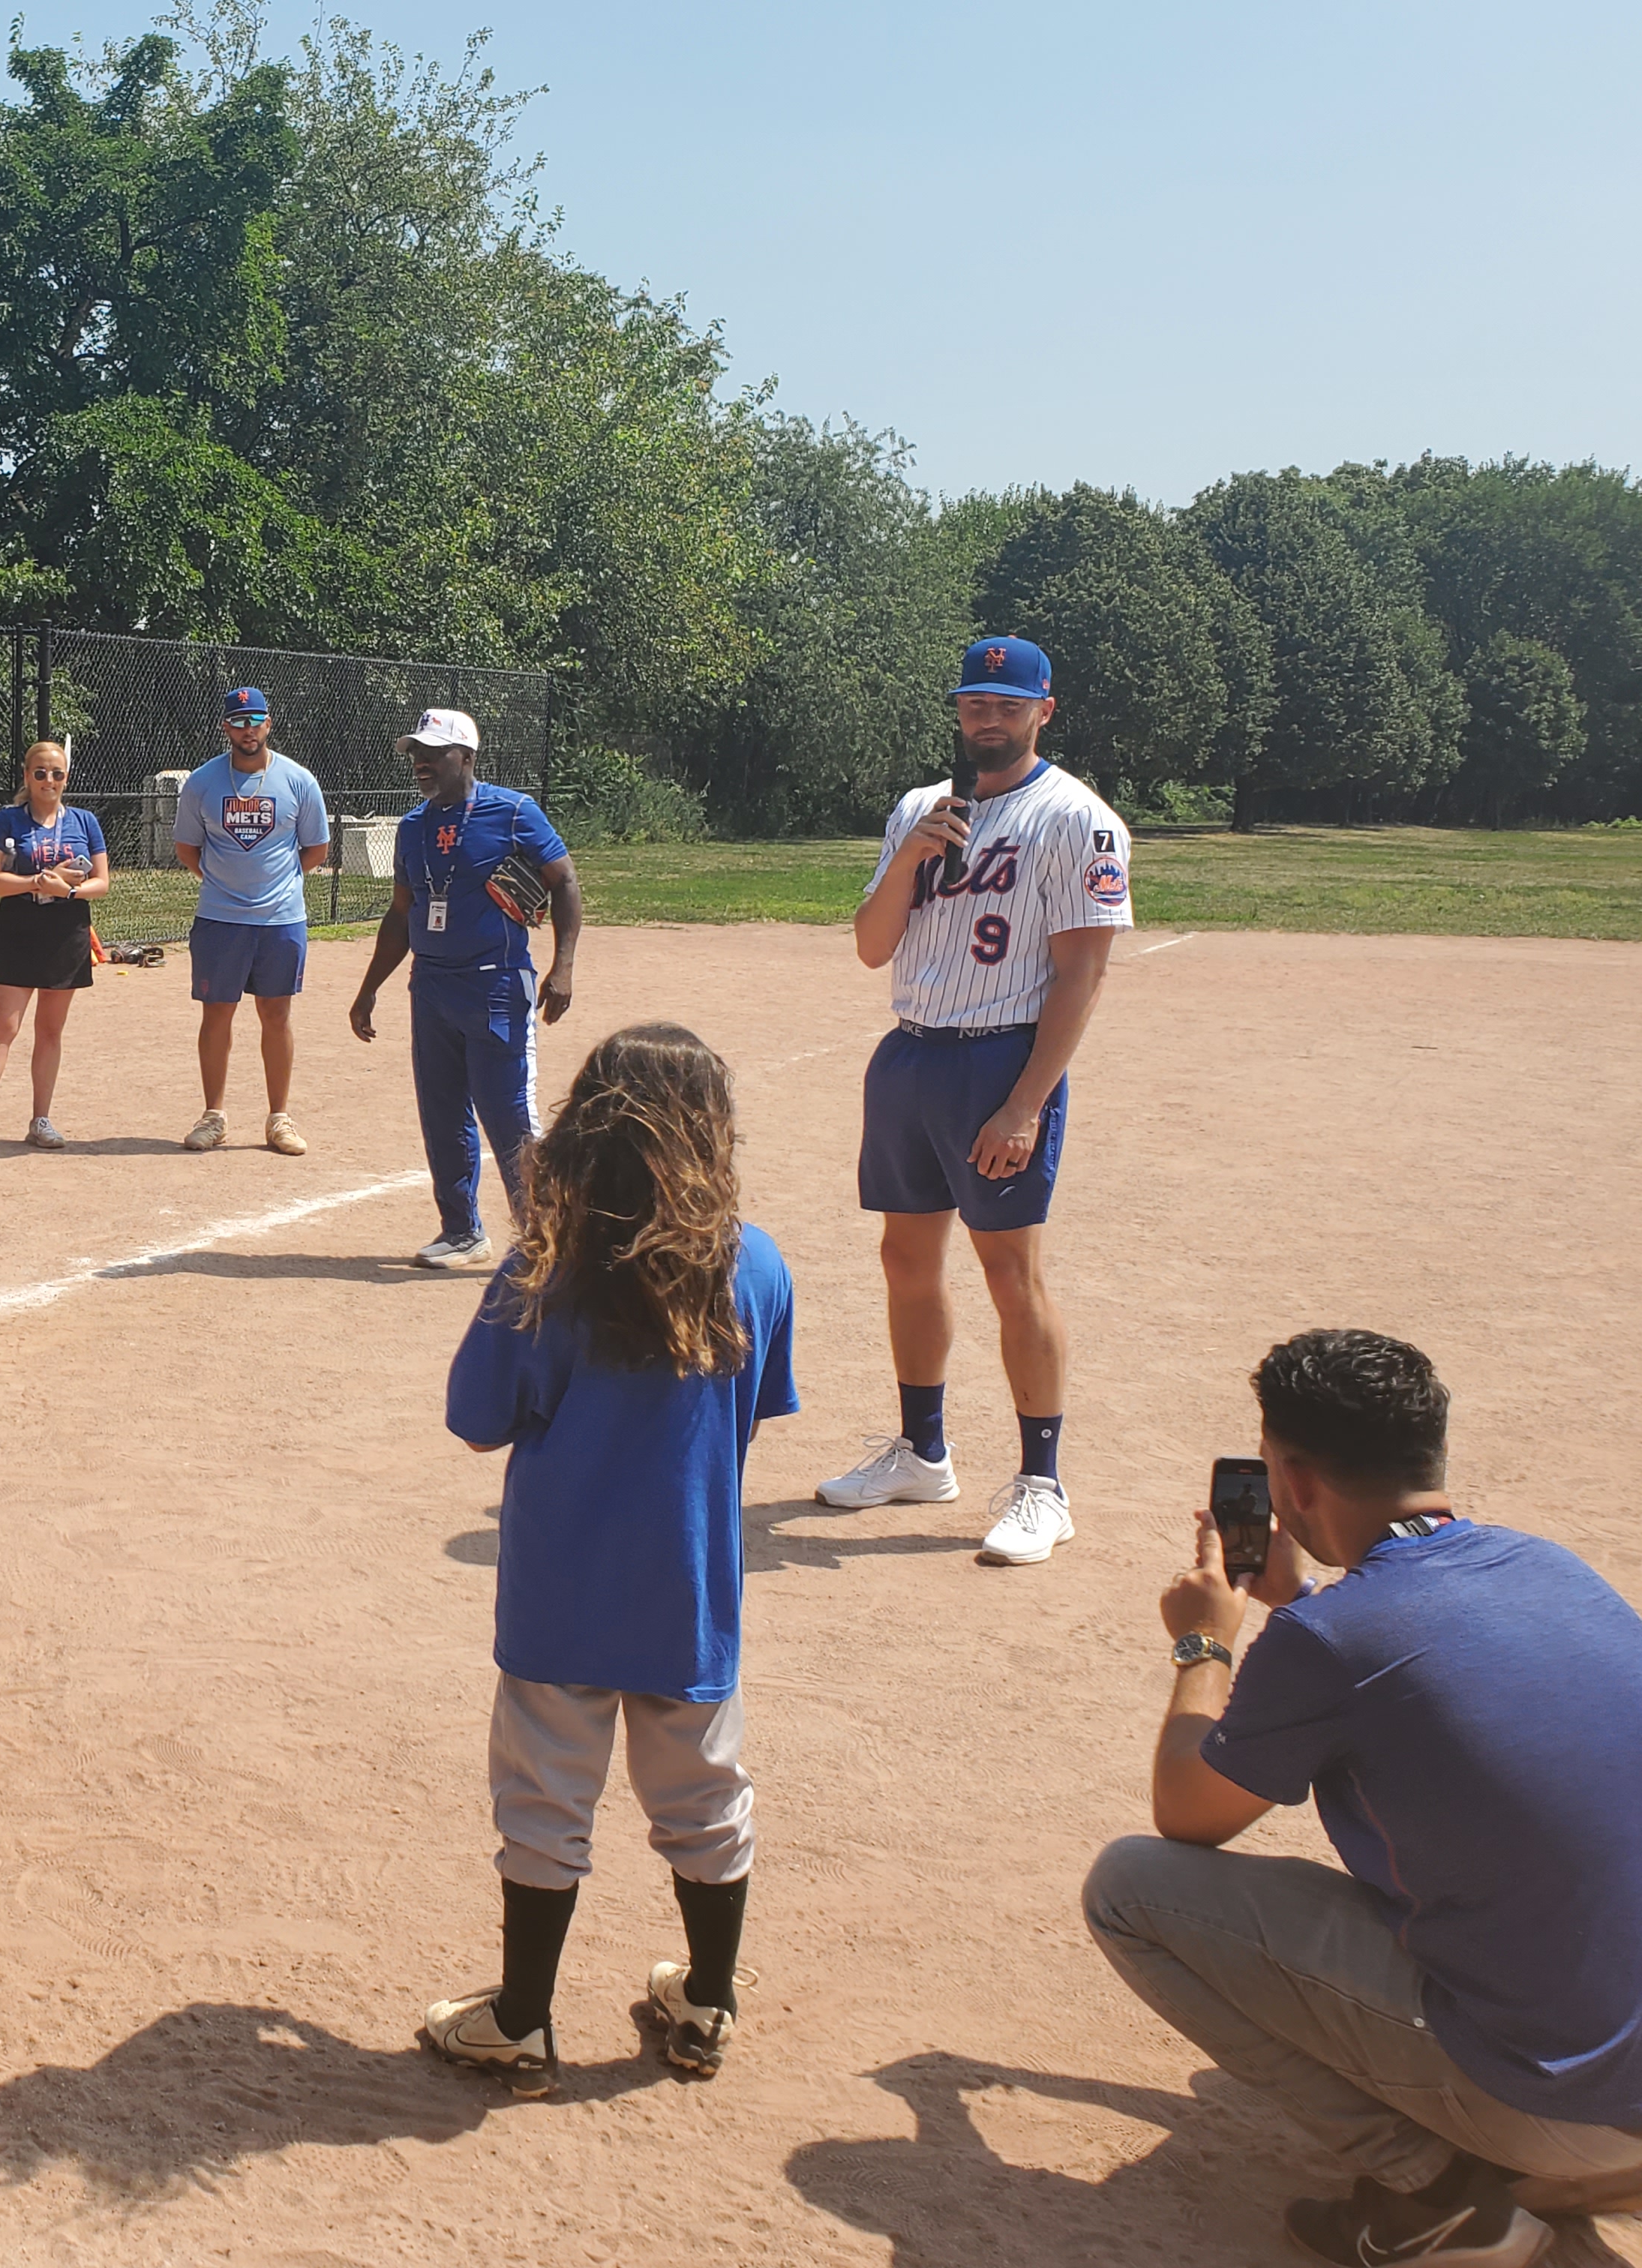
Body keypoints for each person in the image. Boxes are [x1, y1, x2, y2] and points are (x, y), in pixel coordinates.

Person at [1085, 1330, 1642, 2266]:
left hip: (1571, 2107)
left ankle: (1440, 2198)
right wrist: (1302, 1601)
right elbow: (1411, 1641)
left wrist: (1205, 1645)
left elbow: (1188, 1813)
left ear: (1295, 1486)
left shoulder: (1329, 1641)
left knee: (1129, 1890)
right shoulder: (1549, 1565)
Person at [422, 1025, 796, 2097]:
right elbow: (757, 1412)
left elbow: (476, 1417)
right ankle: (708, 1996)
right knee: (704, 1795)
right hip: (687, 1592)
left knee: (545, 1798)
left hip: (561, 1593)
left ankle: (523, 2019)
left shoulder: (551, 1270)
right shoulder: (755, 1262)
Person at [816, 635, 1132, 1568]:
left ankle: (1043, 1484)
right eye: (973, 701)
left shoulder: (1078, 818)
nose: (986, 717)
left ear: (1043, 710)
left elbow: (1081, 976)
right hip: (910, 1055)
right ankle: (923, 1453)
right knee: (904, 1259)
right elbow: (873, 946)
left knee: (1010, 1275)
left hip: (1001, 1065)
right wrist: (911, 855)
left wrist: (1027, 1104)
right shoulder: (923, 808)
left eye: (1006, 702)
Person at [347, 710, 584, 1270]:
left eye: (434, 753)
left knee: (508, 1117)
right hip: (430, 988)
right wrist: (368, 988)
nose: (421, 763)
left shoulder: (513, 812)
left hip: (497, 986)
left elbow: (566, 882)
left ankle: (545, 1240)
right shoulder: (412, 827)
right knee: (442, 1112)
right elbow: (401, 913)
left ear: (468, 758)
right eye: (415, 754)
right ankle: (461, 1231)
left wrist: (563, 966)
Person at [173, 687, 329, 1156]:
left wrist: (276, 887)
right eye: (238, 721)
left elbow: (316, 849)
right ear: (226, 727)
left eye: (255, 720)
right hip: (220, 918)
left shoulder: (299, 781)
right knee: (217, 1011)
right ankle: (213, 1116)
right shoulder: (202, 783)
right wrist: (225, 885)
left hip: (282, 919)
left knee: (276, 1014)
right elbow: (187, 849)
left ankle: (279, 1118)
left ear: (269, 724)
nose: (247, 730)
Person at [0, 740, 105, 1153]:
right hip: (20, 928)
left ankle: (41, 1120)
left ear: (66, 777)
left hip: (66, 932)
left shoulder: (84, 821)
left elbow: (101, 883)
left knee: (50, 1031)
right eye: (40, 773)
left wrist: (68, 891)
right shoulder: (8, 820)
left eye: (56, 773)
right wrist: (37, 882)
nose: (48, 780)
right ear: (26, 776)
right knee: (3, 1028)